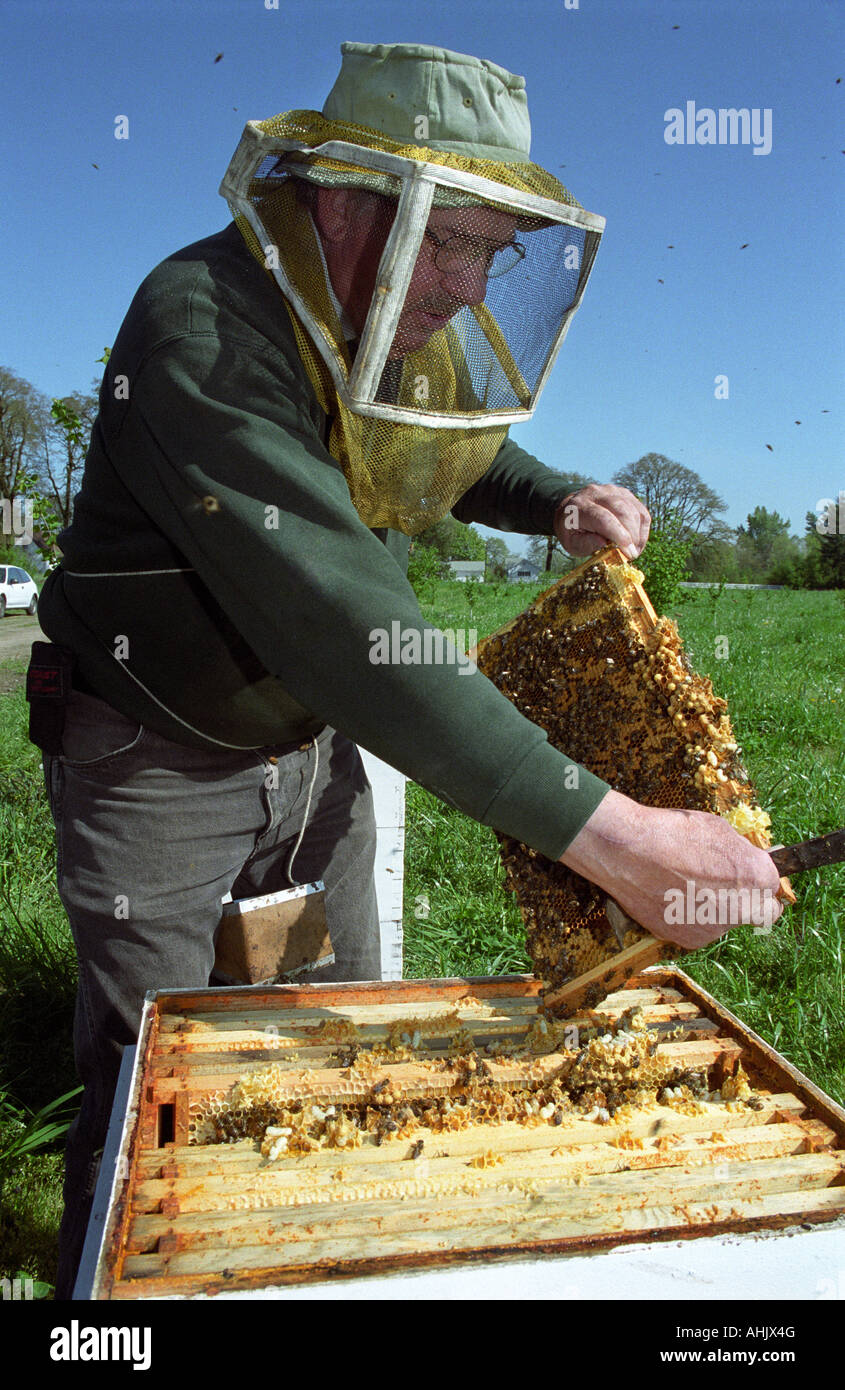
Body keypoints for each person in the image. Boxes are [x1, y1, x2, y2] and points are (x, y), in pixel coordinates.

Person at [32, 42, 782, 1298]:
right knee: (146, 1089)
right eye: (450, 240)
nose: (467, 281)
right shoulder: (205, 331)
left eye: (493, 248)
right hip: (157, 753)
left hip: (310, 753)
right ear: (345, 198)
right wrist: (623, 840)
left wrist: (554, 499)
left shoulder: (383, 322)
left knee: (330, 1039)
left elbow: (447, 448)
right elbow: (341, 616)